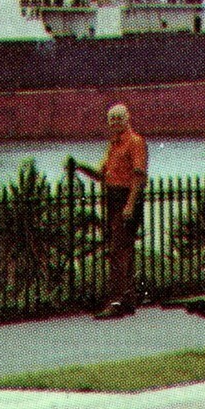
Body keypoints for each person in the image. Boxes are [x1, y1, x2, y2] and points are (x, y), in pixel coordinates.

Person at [72, 103, 148, 319]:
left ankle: (115, 303)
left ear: (128, 118)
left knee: (117, 251)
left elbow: (139, 176)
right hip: (113, 198)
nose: (114, 122)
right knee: (124, 250)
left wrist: (130, 206)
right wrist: (80, 166)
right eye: (111, 118)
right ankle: (128, 300)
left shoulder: (135, 142)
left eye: (118, 118)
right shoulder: (113, 145)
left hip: (126, 199)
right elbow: (102, 174)